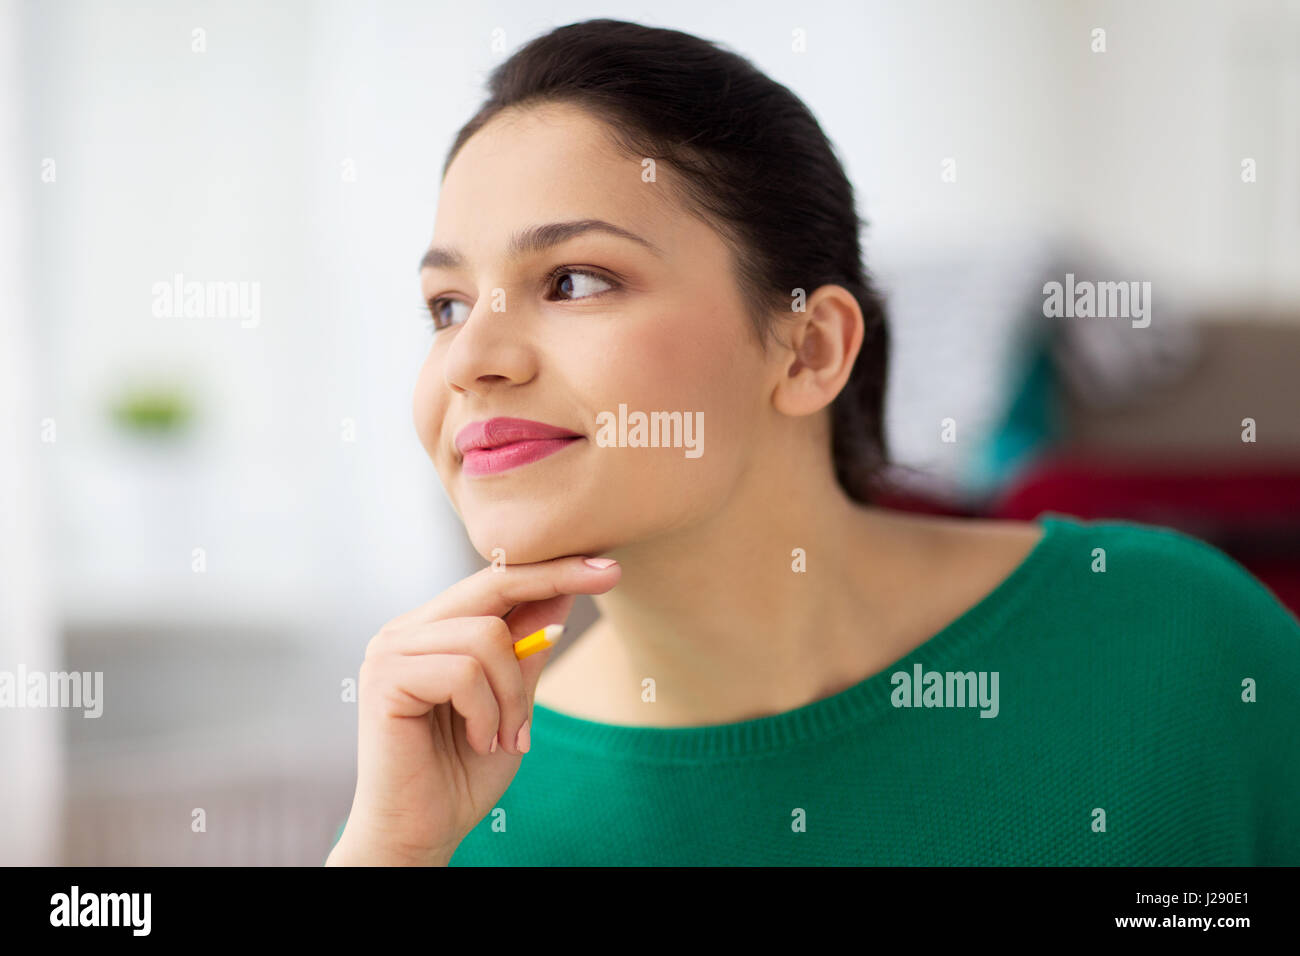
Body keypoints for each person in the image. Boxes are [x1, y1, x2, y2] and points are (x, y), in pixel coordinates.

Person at [326, 18, 1300, 866]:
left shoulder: (1181, 641)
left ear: (808, 348)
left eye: (575, 280)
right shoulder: (462, 810)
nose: (469, 359)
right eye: (446, 305)